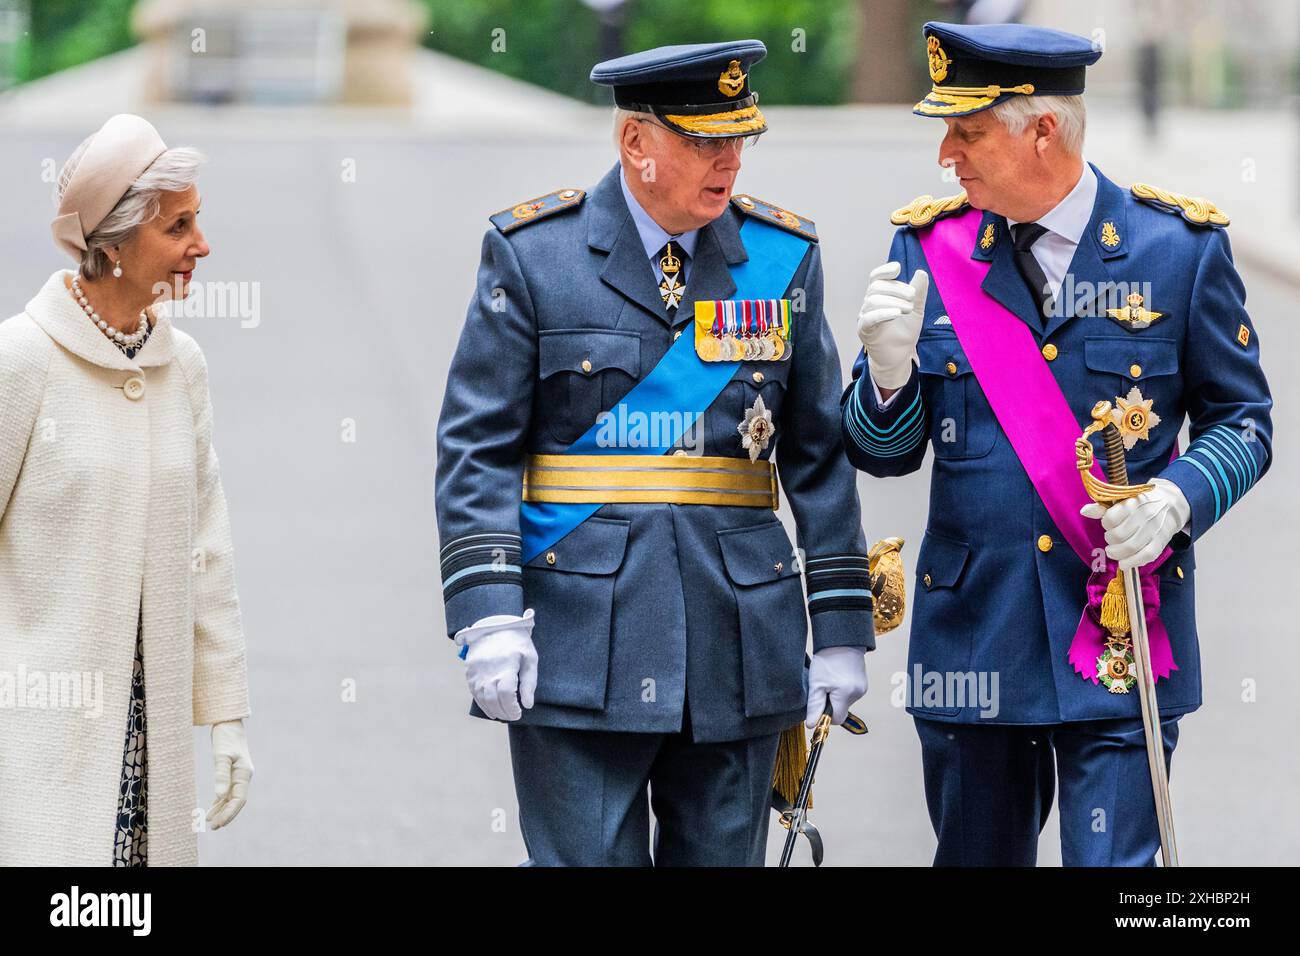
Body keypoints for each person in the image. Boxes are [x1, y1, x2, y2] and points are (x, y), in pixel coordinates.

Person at [841, 22, 1272, 865]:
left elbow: (1245, 424)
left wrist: (1178, 496)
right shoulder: (929, 250)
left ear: (1042, 131)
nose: (945, 155)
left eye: (967, 132)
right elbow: (885, 452)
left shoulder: (1177, 251)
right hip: (975, 635)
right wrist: (885, 381)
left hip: (1122, 634)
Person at [436, 41, 875, 866]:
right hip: (578, 636)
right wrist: (488, 611)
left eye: (738, 141)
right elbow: (477, 445)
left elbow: (817, 455)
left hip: (738, 636)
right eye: (705, 142)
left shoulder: (781, 259)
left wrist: (841, 624)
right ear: (636, 143)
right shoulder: (536, 255)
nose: (729, 162)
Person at [0, 114, 254, 865]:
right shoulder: (21, 361)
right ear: (112, 245)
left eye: (198, 219)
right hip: (37, 738)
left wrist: (228, 714)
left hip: (154, 738)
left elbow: (207, 550)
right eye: (179, 226)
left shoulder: (185, 367)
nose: (201, 245)